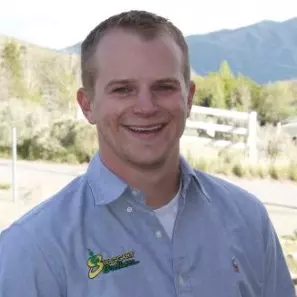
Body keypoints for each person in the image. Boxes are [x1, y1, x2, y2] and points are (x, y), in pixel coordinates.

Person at [0, 10, 295, 297]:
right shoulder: (32, 250)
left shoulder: (248, 219)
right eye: (123, 89)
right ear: (87, 104)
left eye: (164, 87)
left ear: (188, 98)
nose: (146, 106)